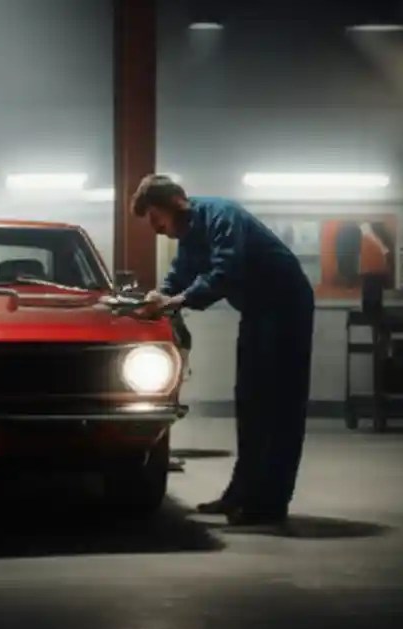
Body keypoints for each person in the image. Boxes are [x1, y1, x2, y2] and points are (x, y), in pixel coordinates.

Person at [129, 174, 314, 525]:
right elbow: (180, 273)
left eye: (156, 219)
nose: (155, 228)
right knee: (249, 398)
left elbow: (224, 272)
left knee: (279, 404)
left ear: (175, 204)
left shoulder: (221, 216)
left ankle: (269, 505)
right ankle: (240, 494)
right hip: (258, 309)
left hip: (287, 304)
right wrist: (160, 294)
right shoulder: (187, 234)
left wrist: (174, 303)